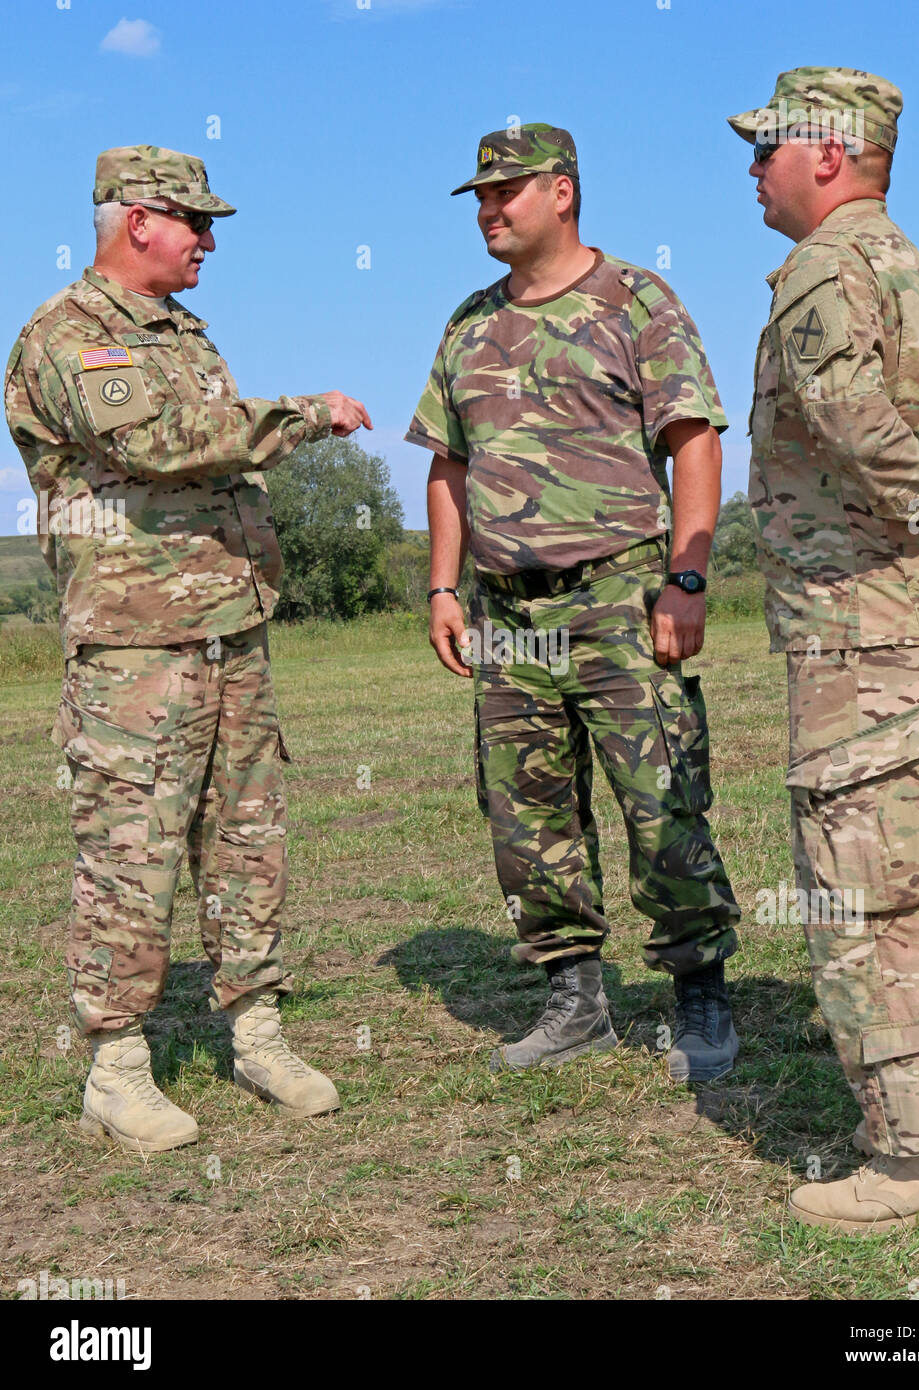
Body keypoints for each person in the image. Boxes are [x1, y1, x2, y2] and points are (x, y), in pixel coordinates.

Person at [5, 145, 372, 1152]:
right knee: (133, 856)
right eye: (195, 223)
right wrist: (303, 413)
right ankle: (117, 1067)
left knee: (248, 839)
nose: (209, 242)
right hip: (135, 651)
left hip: (227, 633)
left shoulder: (184, 334)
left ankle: (256, 1031)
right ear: (136, 221)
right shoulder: (67, 337)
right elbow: (157, 443)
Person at [727, 69, 919, 1231]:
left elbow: (855, 418)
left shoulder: (823, 267)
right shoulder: (915, 271)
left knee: (861, 890)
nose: (751, 171)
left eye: (765, 151)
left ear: (829, 156)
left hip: (861, 627)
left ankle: (917, 1163)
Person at [406, 124, 741, 1079]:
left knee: (661, 799)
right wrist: (442, 585)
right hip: (509, 615)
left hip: (621, 595)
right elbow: (448, 465)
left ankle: (701, 995)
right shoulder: (468, 324)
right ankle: (574, 997)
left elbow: (693, 440)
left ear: (563, 191)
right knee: (527, 815)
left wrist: (685, 578)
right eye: (479, 196)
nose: (489, 208)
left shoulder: (636, 301)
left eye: (506, 191)